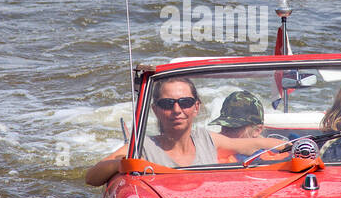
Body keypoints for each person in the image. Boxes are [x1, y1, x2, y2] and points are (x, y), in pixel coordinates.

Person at [85, 79, 279, 186]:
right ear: (155, 110)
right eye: (168, 104)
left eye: (185, 102)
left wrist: (297, 146)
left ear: (196, 107)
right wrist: (122, 163)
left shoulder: (208, 139)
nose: (177, 110)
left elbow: (257, 144)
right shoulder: (141, 148)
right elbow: (92, 177)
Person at [212, 91, 266, 163]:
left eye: (234, 128)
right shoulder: (211, 149)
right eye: (224, 126)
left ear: (257, 130)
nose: (225, 134)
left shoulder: (268, 157)